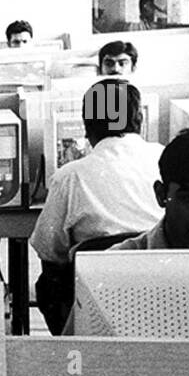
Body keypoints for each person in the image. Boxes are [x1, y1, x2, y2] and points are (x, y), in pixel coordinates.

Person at [29, 79, 164, 332]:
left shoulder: (70, 175)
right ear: (139, 120)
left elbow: (49, 249)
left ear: (86, 127)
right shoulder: (165, 158)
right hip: (161, 294)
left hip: (96, 299)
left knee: (48, 281)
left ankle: (72, 351)